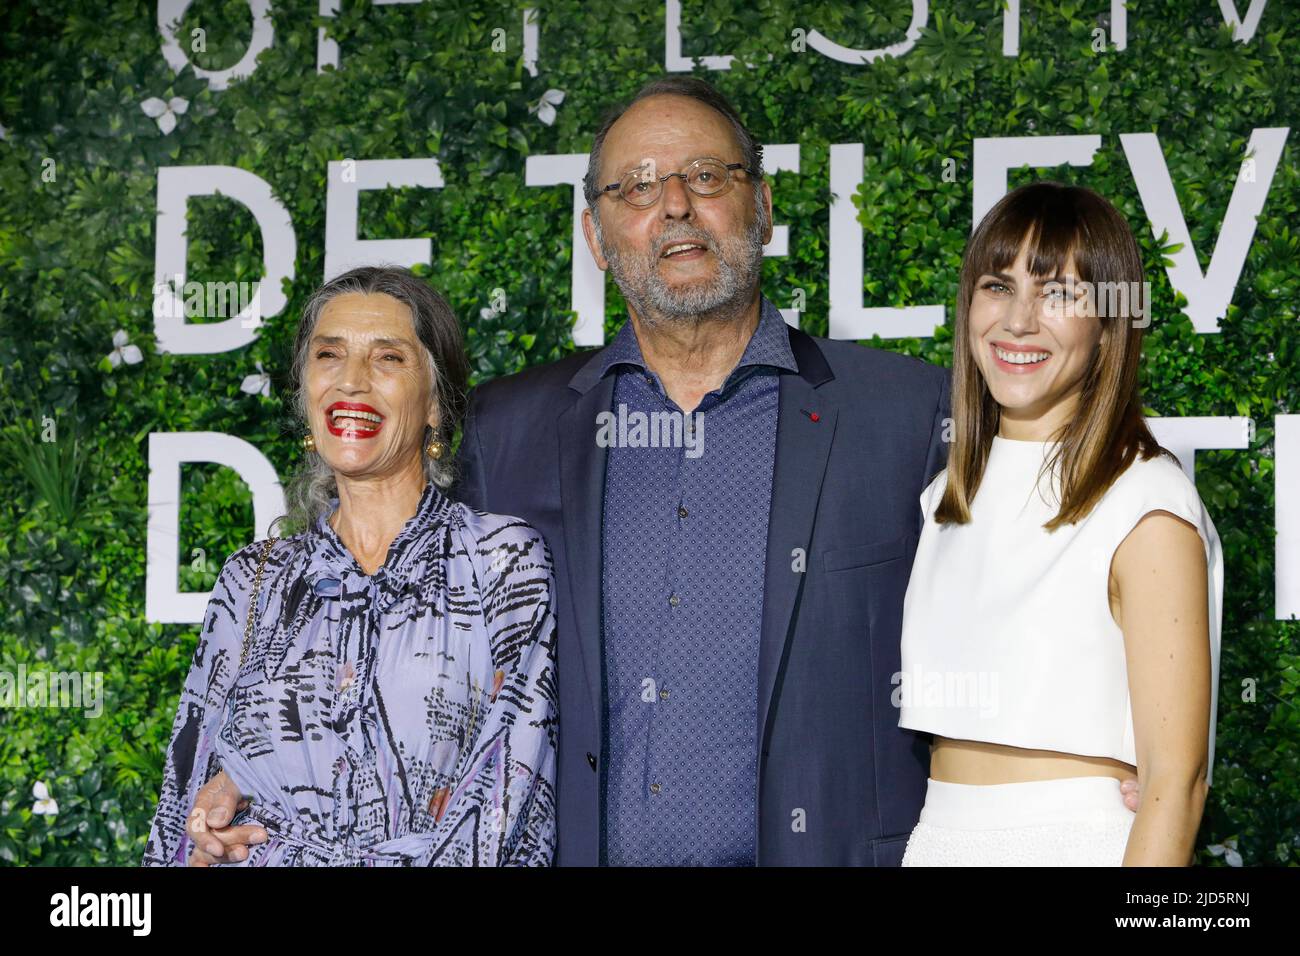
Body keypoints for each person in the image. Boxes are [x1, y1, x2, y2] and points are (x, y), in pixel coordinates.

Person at [181, 76, 1143, 866]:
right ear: (599, 239)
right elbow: (391, 628)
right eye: (635, 189)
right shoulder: (509, 432)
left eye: (705, 177)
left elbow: (1078, 538)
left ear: (762, 207)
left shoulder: (913, 413)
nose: (673, 206)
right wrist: (250, 772)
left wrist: (1120, 755)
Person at [142, 266, 558, 866]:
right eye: (328, 355)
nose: (351, 382)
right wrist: (207, 830)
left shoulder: (503, 562)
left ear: (435, 403)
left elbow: (508, 807)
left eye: (387, 358)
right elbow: (183, 817)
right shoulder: (251, 582)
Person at [897, 181, 1221, 866]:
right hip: (938, 841)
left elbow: (1177, 782)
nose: (1018, 321)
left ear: (1110, 322)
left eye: (1060, 294)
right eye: (997, 285)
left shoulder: (1146, 503)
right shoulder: (943, 500)